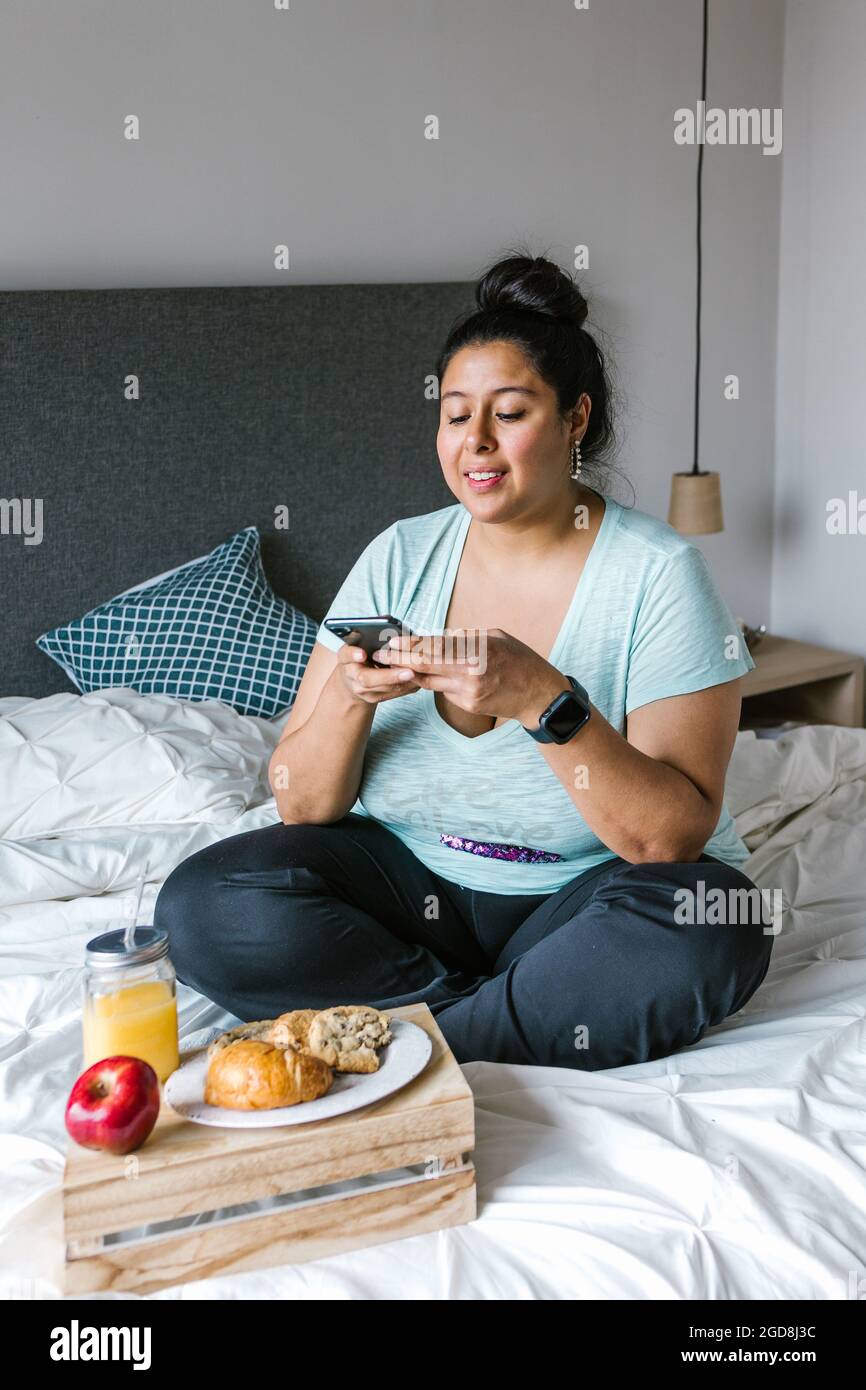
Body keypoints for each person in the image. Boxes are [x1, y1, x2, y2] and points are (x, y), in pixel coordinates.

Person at [154, 249, 774, 1070]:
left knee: (716, 920)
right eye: (455, 414)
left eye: (510, 413)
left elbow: (670, 839)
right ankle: (488, 1019)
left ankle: (410, 1042)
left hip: (578, 899)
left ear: (575, 418)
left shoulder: (658, 575)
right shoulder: (400, 554)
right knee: (201, 904)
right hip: (411, 892)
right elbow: (301, 806)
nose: (475, 442)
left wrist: (545, 703)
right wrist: (349, 695)